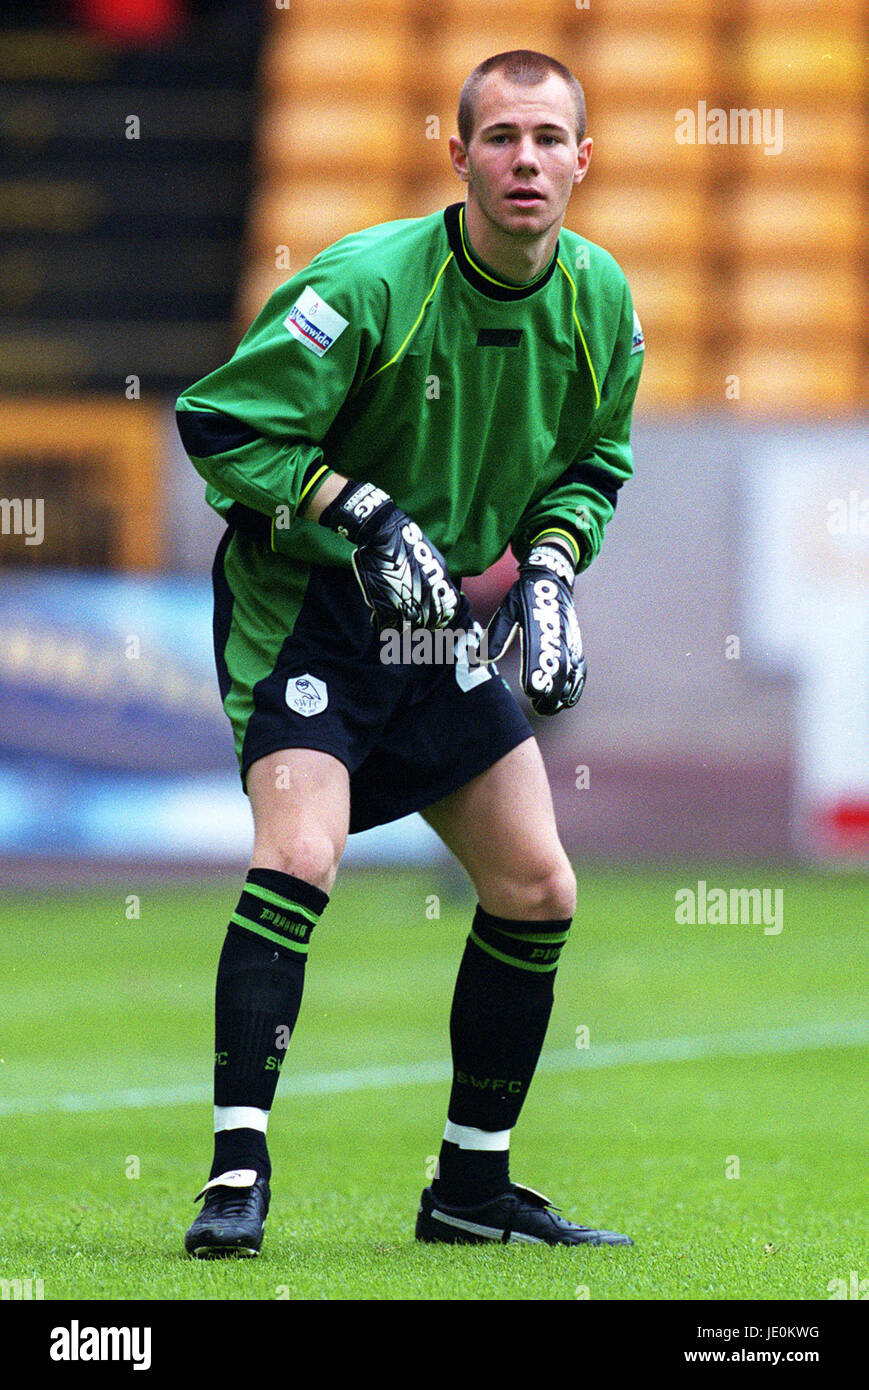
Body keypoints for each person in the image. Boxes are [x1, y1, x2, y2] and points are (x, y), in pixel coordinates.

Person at [175, 49, 644, 1256]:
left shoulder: (599, 302)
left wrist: (547, 567)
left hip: (435, 615)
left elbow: (591, 466)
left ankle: (469, 1188)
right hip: (310, 605)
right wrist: (357, 509)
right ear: (459, 155)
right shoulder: (370, 283)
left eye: (548, 138)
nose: (524, 160)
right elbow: (219, 425)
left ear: (582, 161)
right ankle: (235, 1173)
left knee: (537, 887)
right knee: (301, 853)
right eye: (500, 137)